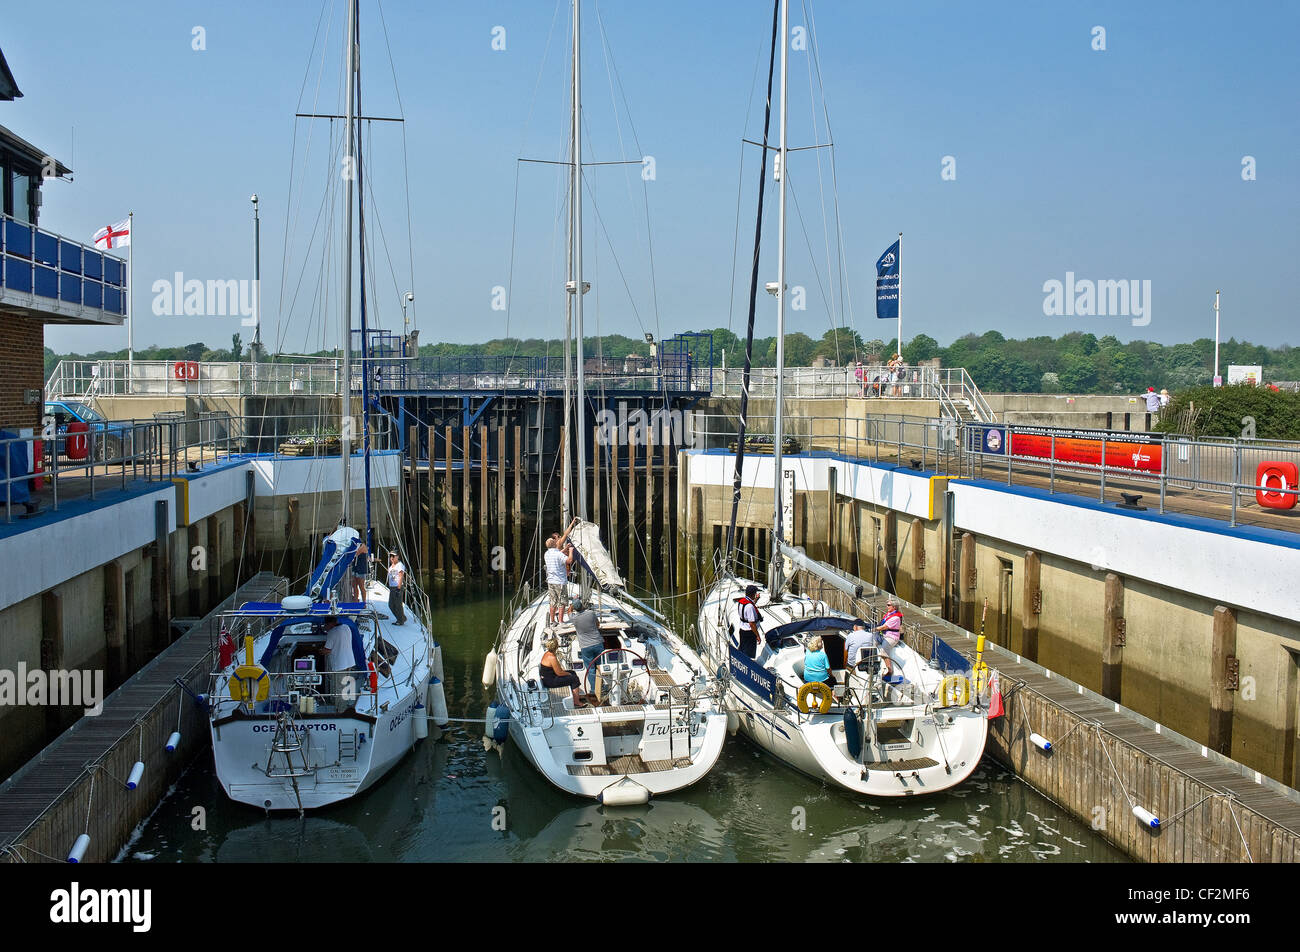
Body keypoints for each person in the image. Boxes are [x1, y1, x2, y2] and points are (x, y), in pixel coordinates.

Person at [544, 518, 578, 627]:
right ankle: (561, 621)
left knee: (552, 601)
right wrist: (572, 523)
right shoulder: (559, 546)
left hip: (551, 580)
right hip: (560, 578)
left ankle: (552, 620)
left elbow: (558, 553)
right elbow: (568, 560)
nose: (559, 538)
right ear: (555, 541)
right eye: (557, 537)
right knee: (562, 601)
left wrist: (565, 549)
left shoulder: (547, 553)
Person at [570, 597, 604, 692]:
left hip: (586, 647)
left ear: (574, 608)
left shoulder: (574, 618)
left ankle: (594, 690)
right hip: (598, 643)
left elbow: (569, 612)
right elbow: (597, 624)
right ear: (582, 605)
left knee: (591, 668)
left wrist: (571, 606)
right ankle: (603, 686)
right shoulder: (591, 613)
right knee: (600, 665)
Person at [539, 636, 584, 707]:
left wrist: (569, 673)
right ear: (556, 647)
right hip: (550, 681)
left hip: (549, 677)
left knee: (573, 672)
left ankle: (576, 696)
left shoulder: (547, 653)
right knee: (574, 679)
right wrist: (568, 674)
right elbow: (559, 673)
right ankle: (576, 702)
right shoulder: (552, 657)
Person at [318, 615, 353, 703]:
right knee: (346, 687)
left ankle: (339, 711)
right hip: (349, 662)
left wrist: (319, 651)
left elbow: (327, 650)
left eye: (325, 624)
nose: (325, 627)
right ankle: (344, 707)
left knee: (339, 690)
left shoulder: (332, 633)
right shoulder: (346, 627)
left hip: (340, 665)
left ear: (330, 624)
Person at [874, 597, 903, 680]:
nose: (887, 606)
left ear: (894, 607)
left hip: (892, 637)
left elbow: (884, 627)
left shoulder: (895, 618)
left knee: (883, 651)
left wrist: (874, 629)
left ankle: (889, 670)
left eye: (888, 605)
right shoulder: (888, 615)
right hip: (884, 635)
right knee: (871, 641)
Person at [736, 584, 762, 659]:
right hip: (749, 633)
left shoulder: (742, 602)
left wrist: (756, 599)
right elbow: (752, 624)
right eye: (755, 593)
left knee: (743, 648)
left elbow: (750, 604)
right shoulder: (750, 607)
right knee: (749, 654)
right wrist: (757, 635)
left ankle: (741, 659)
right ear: (753, 594)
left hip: (742, 630)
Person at [386, 551, 406, 625]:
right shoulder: (391, 566)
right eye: (391, 556)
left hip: (397, 587)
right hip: (392, 588)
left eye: (393, 556)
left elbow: (401, 577)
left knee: (398, 605)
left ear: (397, 557)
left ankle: (400, 621)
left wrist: (398, 588)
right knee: (391, 605)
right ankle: (402, 617)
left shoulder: (400, 565)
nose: (392, 558)